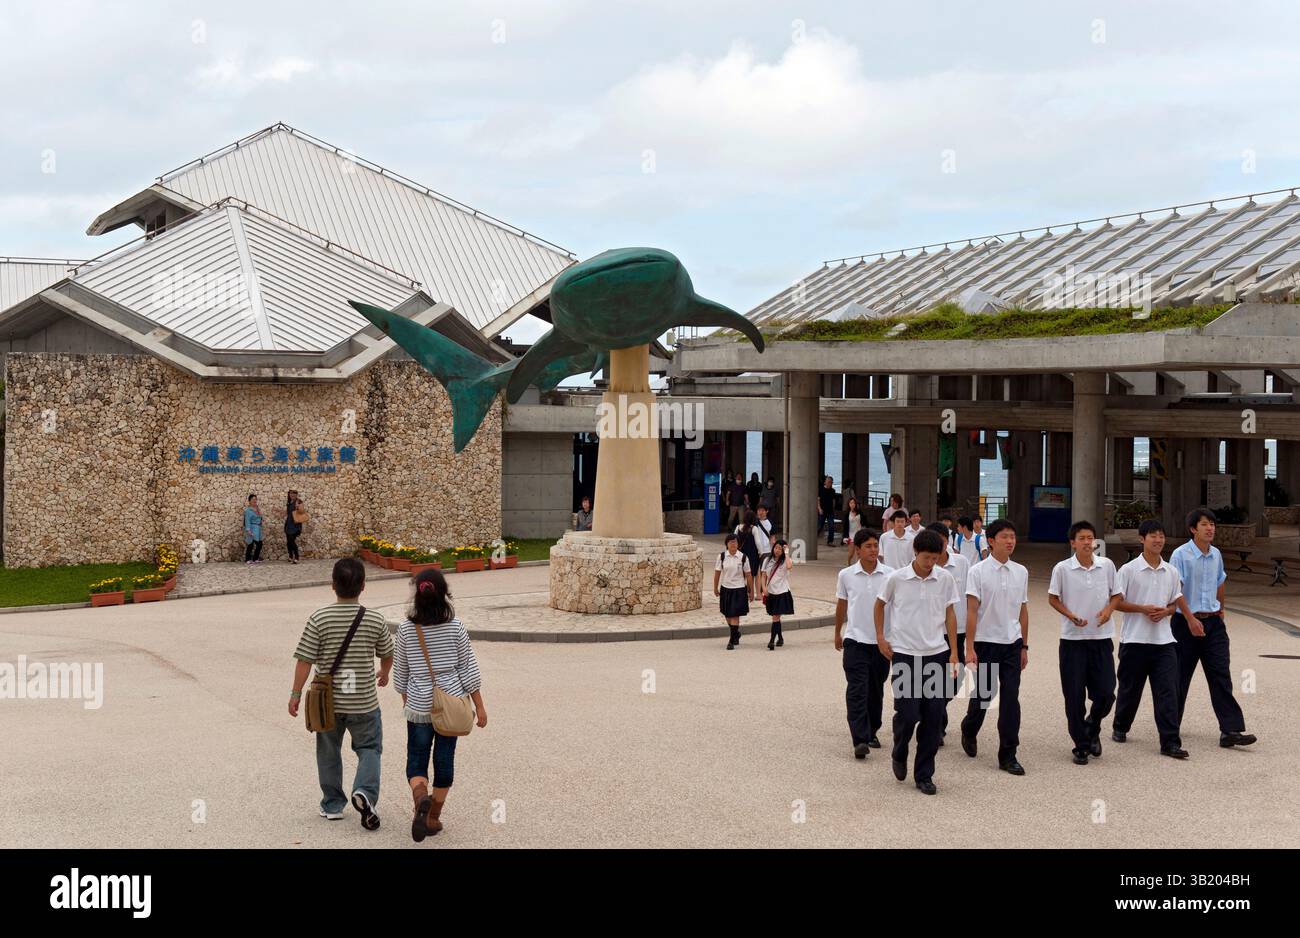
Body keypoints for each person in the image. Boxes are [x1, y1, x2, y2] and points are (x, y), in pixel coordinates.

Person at [288, 558, 394, 829]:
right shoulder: (375, 619)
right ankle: (365, 793)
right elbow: (387, 652)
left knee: (328, 751)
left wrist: (296, 693)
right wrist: (384, 672)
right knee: (369, 749)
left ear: (333, 585)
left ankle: (333, 804)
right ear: (363, 587)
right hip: (364, 703)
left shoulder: (319, 618)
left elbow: (304, 660)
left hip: (328, 703)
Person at [392, 567, 488, 842]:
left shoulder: (407, 630)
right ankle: (432, 817)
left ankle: (421, 797)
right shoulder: (455, 627)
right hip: (451, 704)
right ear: (444, 595)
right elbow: (468, 668)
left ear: (417, 596)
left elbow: (401, 673)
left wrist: (408, 701)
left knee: (416, 760)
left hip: (419, 705)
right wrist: (479, 706)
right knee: (444, 762)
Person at [875, 529, 961, 795]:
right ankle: (899, 751)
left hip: (936, 653)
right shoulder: (896, 578)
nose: (930, 563)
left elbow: (950, 614)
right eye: (926, 557)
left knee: (934, 718)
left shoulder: (945, 578)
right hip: (904, 654)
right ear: (915, 553)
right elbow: (879, 605)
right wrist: (881, 637)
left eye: (935, 558)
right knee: (909, 713)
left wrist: (954, 652)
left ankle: (924, 774)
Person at [1169, 509, 1257, 748]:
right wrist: (1190, 619)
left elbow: (1220, 581)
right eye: (1205, 524)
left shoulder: (1216, 554)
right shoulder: (1181, 555)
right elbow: (1176, 590)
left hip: (1213, 625)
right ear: (1193, 529)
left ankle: (1230, 730)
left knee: (1220, 675)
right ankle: (1170, 728)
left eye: (1213, 525)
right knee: (1179, 677)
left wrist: (1220, 611)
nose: (1210, 529)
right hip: (1185, 624)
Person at [1108, 520, 1189, 759]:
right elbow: (1117, 602)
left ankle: (1170, 742)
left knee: (1167, 692)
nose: (1158, 540)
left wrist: (1166, 611)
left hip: (1164, 641)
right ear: (1142, 539)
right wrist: (1143, 609)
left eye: (1161, 536)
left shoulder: (1171, 571)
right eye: (1153, 536)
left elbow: (1175, 603)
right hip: (1135, 640)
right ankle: (1120, 725)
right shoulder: (1129, 570)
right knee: (1130, 690)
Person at [960, 518, 1030, 776]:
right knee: (985, 694)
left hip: (1012, 643)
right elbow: (971, 611)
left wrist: (1024, 645)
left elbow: (1023, 610)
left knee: (1011, 699)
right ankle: (969, 728)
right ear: (991, 541)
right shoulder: (977, 571)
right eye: (1005, 537)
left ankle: (1008, 754)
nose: (1010, 541)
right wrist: (969, 647)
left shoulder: (1021, 571)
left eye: (1013, 536)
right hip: (986, 643)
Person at [1047, 521, 1120, 765]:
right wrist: (1069, 615)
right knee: (1074, 696)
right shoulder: (1062, 569)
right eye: (1083, 538)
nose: (1088, 542)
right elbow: (1053, 598)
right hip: (1072, 641)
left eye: (1091, 538)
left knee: (1107, 693)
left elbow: (1117, 594)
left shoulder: (1106, 565)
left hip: (1101, 639)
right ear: (1073, 542)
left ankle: (1092, 727)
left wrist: (1109, 610)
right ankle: (1081, 744)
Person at [834, 529, 895, 757]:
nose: (873, 550)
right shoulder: (846, 575)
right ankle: (859, 738)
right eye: (868, 546)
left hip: (881, 643)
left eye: (875, 546)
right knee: (857, 689)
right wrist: (838, 632)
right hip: (855, 640)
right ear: (857, 550)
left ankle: (872, 729)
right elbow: (842, 605)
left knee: (875, 689)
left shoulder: (890, 574)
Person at [926, 522, 970, 742]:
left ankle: (933, 712)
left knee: (955, 679)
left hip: (957, 631)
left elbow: (971, 596)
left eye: (941, 540)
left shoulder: (962, 563)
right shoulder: (923, 566)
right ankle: (936, 726)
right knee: (933, 680)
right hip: (931, 632)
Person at [714, 533, 752, 650]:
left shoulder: (743, 557)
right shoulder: (721, 557)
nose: (733, 544)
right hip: (726, 588)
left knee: (735, 614)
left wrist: (751, 591)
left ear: (738, 544)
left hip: (739, 589)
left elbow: (749, 574)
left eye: (735, 542)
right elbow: (717, 573)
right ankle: (736, 633)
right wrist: (715, 587)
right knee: (727, 614)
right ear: (727, 544)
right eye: (731, 542)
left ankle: (731, 640)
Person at [759, 539, 794, 650]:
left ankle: (771, 641)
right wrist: (763, 588)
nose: (777, 550)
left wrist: (787, 553)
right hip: (770, 592)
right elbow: (763, 575)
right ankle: (780, 637)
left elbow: (789, 566)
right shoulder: (767, 560)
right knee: (775, 617)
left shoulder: (786, 560)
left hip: (782, 592)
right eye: (776, 547)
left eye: (780, 548)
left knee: (775, 616)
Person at [734, 510, 761, 583]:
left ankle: (741, 590)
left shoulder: (738, 527)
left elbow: (734, 540)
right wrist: (760, 553)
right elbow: (758, 543)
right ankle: (750, 593)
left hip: (740, 554)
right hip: (752, 554)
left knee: (741, 574)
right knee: (750, 575)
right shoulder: (754, 528)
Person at [841, 496, 864, 563]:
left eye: (853, 503)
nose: (852, 504)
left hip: (859, 534)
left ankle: (858, 565)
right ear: (849, 504)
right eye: (851, 503)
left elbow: (864, 522)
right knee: (851, 553)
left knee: (859, 553)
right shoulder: (847, 514)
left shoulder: (860, 512)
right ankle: (848, 563)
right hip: (851, 535)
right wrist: (845, 536)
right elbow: (845, 526)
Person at [818, 476, 839, 546]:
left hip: (830, 511)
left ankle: (830, 541)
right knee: (820, 526)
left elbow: (833, 501)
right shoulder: (820, 489)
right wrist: (819, 509)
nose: (830, 483)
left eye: (831, 482)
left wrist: (833, 509)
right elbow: (818, 500)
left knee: (831, 526)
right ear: (825, 482)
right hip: (822, 511)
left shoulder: (833, 491)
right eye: (829, 482)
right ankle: (813, 538)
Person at [284, 489, 303, 564]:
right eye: (291, 493)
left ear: (296, 494)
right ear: (289, 494)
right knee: (288, 542)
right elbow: (288, 513)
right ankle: (291, 556)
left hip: (295, 525)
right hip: (288, 524)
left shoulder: (299, 501)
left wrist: (298, 507)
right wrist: (278, 511)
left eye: (294, 493)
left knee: (291, 540)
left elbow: (302, 511)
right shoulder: (289, 502)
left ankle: (297, 557)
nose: (292, 495)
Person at [244, 494, 264, 564]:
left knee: (260, 543)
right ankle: (247, 559)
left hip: (258, 528)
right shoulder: (248, 510)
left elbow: (260, 517)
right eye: (253, 499)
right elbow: (247, 520)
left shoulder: (257, 509)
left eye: (255, 499)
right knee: (251, 544)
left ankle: (255, 558)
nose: (254, 500)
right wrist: (248, 530)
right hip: (252, 528)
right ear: (249, 501)